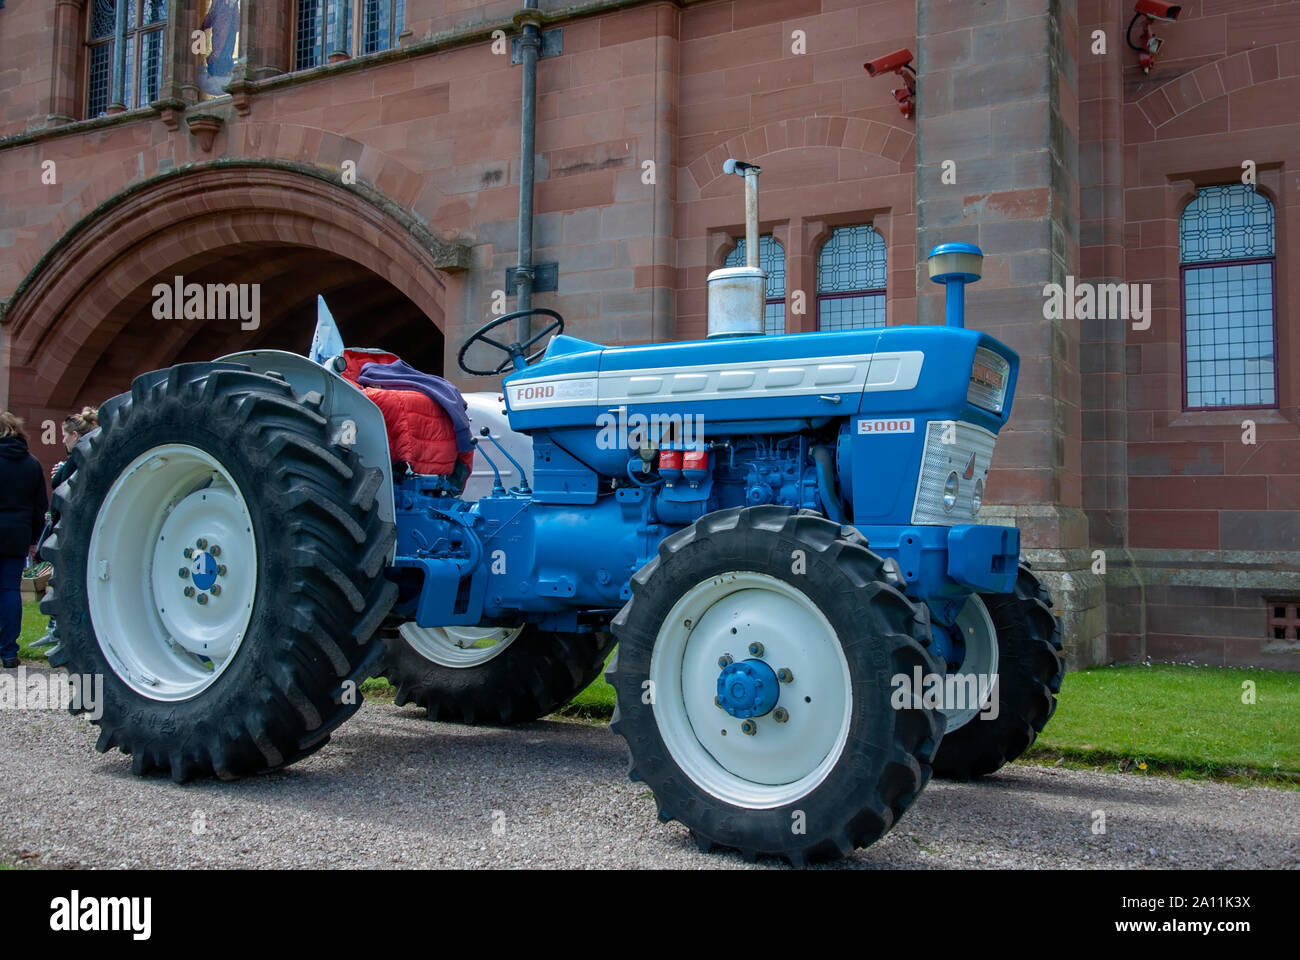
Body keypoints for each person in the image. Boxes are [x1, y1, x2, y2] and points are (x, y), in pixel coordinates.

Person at [36, 407, 99, 649]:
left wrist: (61, 470)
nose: (62, 439)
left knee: (63, 581)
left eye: (64, 435)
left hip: (73, 529)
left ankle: (59, 632)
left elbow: (61, 483)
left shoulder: (80, 454)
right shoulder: (92, 450)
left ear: (75, 435)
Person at [0, 412, 49, 669]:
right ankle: (8, 651)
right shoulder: (31, 463)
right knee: (10, 591)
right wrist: (32, 538)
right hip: (17, 534)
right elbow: (40, 505)